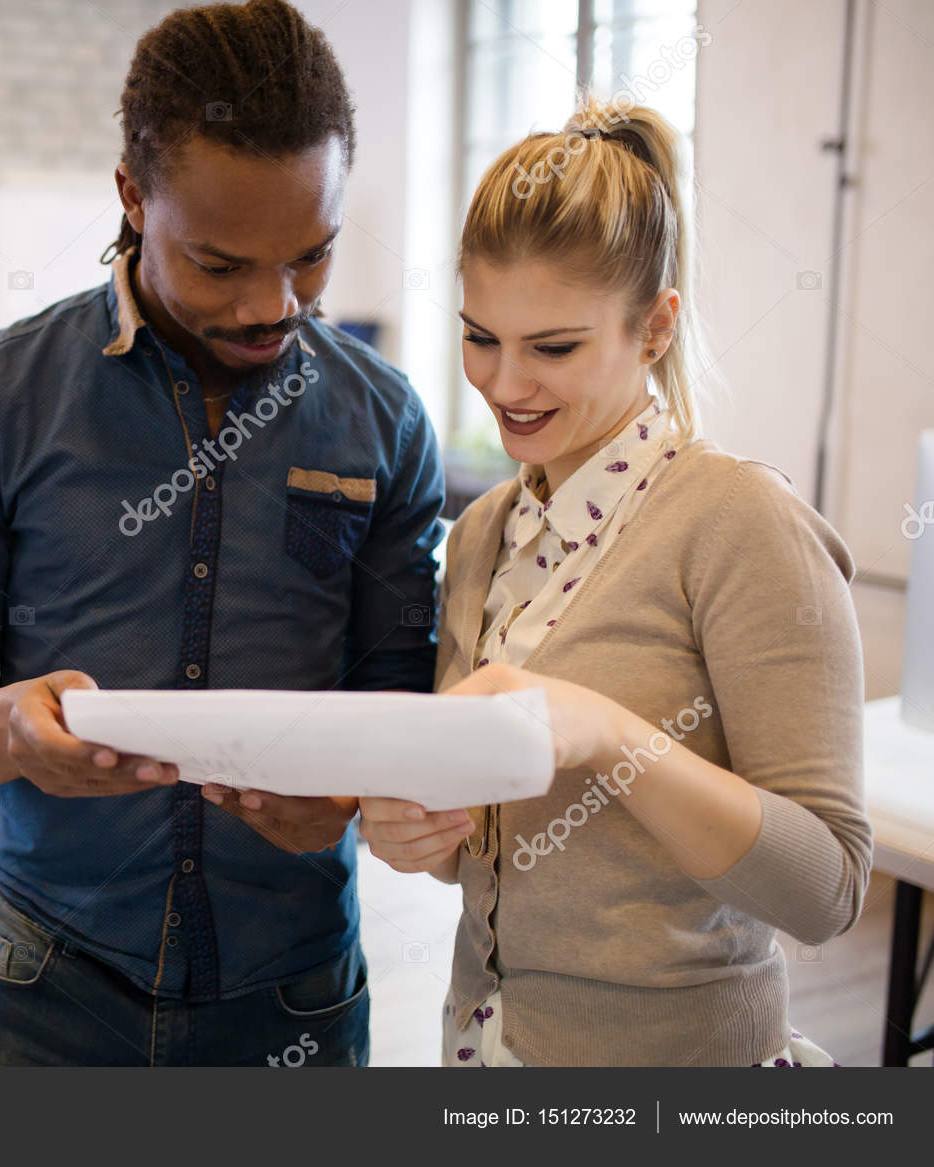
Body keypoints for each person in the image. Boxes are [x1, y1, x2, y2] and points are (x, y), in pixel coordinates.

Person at [0, 0, 444, 1067]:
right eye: (221, 265)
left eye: (311, 258)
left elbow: (398, 706)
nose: (272, 307)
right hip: (49, 988)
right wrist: (9, 732)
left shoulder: (386, 422)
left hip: (297, 1001)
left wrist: (344, 797)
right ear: (133, 199)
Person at [358, 96, 873, 1067]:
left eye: (552, 347)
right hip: (482, 1049)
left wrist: (607, 736)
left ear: (654, 328)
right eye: (479, 337)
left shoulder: (739, 524)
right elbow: (499, 861)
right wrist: (419, 837)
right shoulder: (479, 537)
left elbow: (828, 890)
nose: (505, 385)